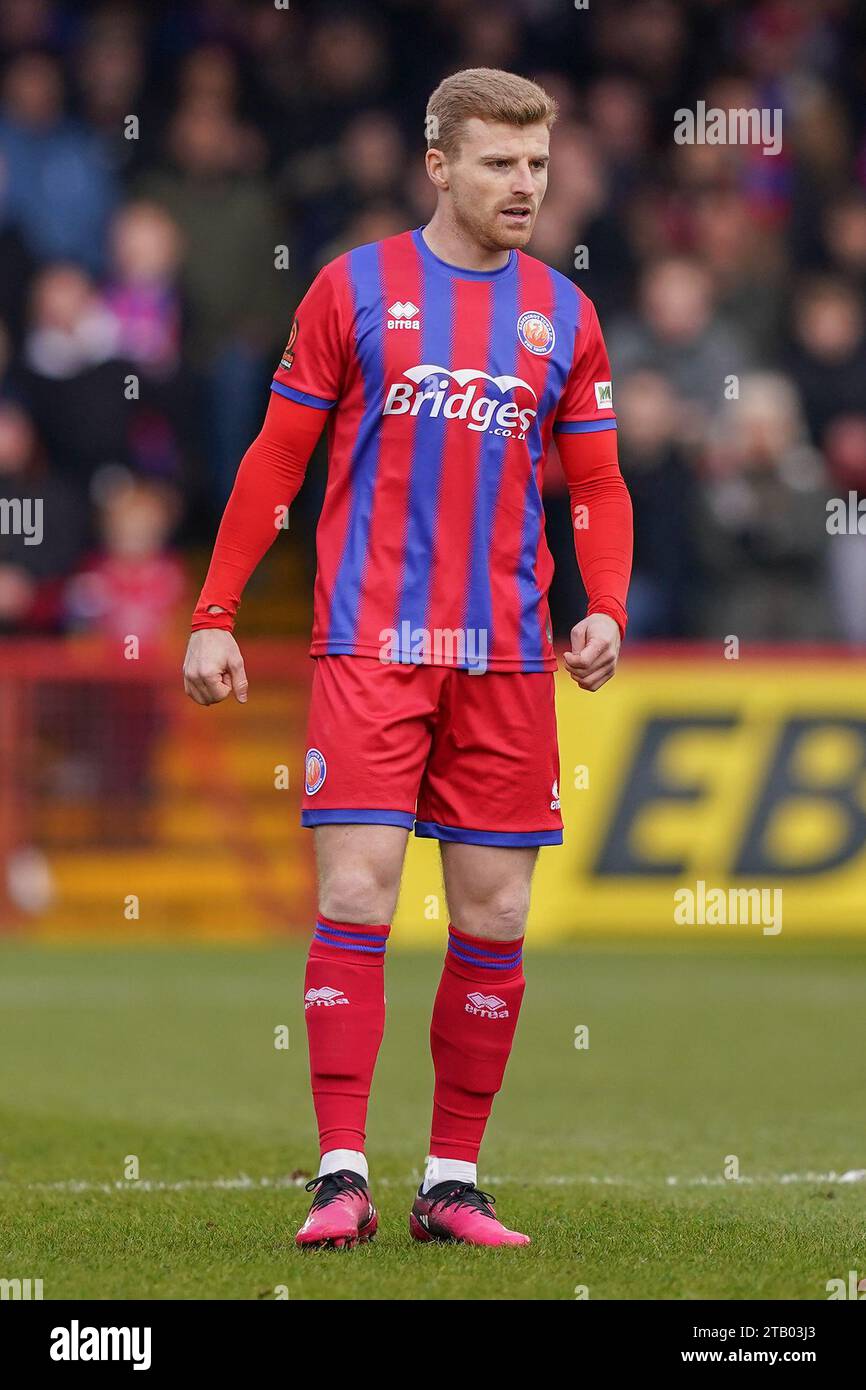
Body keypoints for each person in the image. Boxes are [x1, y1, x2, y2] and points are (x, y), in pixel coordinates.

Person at [182, 67, 632, 1249]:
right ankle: (341, 1174)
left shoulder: (563, 316)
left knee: (492, 915)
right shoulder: (353, 289)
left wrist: (607, 605)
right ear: (438, 167)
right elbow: (277, 462)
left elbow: (593, 482)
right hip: (370, 645)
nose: (523, 184)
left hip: (504, 661)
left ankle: (450, 1180)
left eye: (536, 164)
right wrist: (215, 608)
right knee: (353, 895)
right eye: (498, 164)